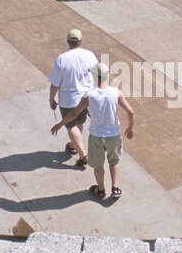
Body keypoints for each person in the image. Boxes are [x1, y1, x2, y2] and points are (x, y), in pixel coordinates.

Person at [51, 62, 135, 200]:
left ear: (95, 77)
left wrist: (60, 124)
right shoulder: (117, 93)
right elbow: (131, 112)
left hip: (96, 136)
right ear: (108, 75)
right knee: (114, 161)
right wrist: (130, 128)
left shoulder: (89, 95)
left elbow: (73, 114)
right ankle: (115, 188)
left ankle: (100, 190)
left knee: (98, 165)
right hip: (113, 135)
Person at [49, 29, 98, 168]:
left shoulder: (62, 59)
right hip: (87, 97)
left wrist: (51, 99)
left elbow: (55, 84)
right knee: (80, 123)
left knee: (70, 125)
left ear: (68, 42)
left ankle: (83, 155)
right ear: (81, 41)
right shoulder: (90, 55)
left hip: (69, 99)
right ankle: (73, 146)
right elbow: (97, 75)